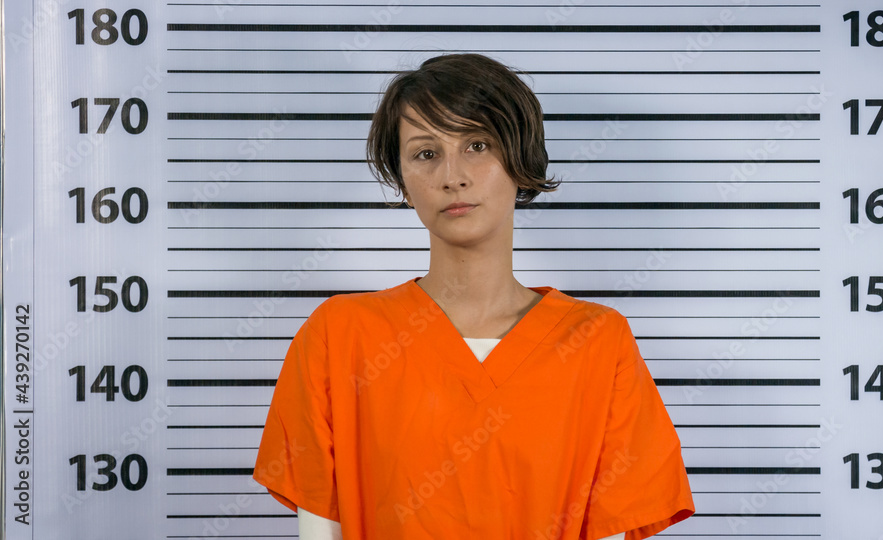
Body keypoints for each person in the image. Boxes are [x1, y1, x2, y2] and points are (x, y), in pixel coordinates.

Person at [253, 52, 694, 540]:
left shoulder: (596, 342)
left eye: (477, 145)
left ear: (520, 157)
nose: (452, 175)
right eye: (425, 153)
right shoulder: (339, 336)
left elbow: (612, 523)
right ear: (402, 181)